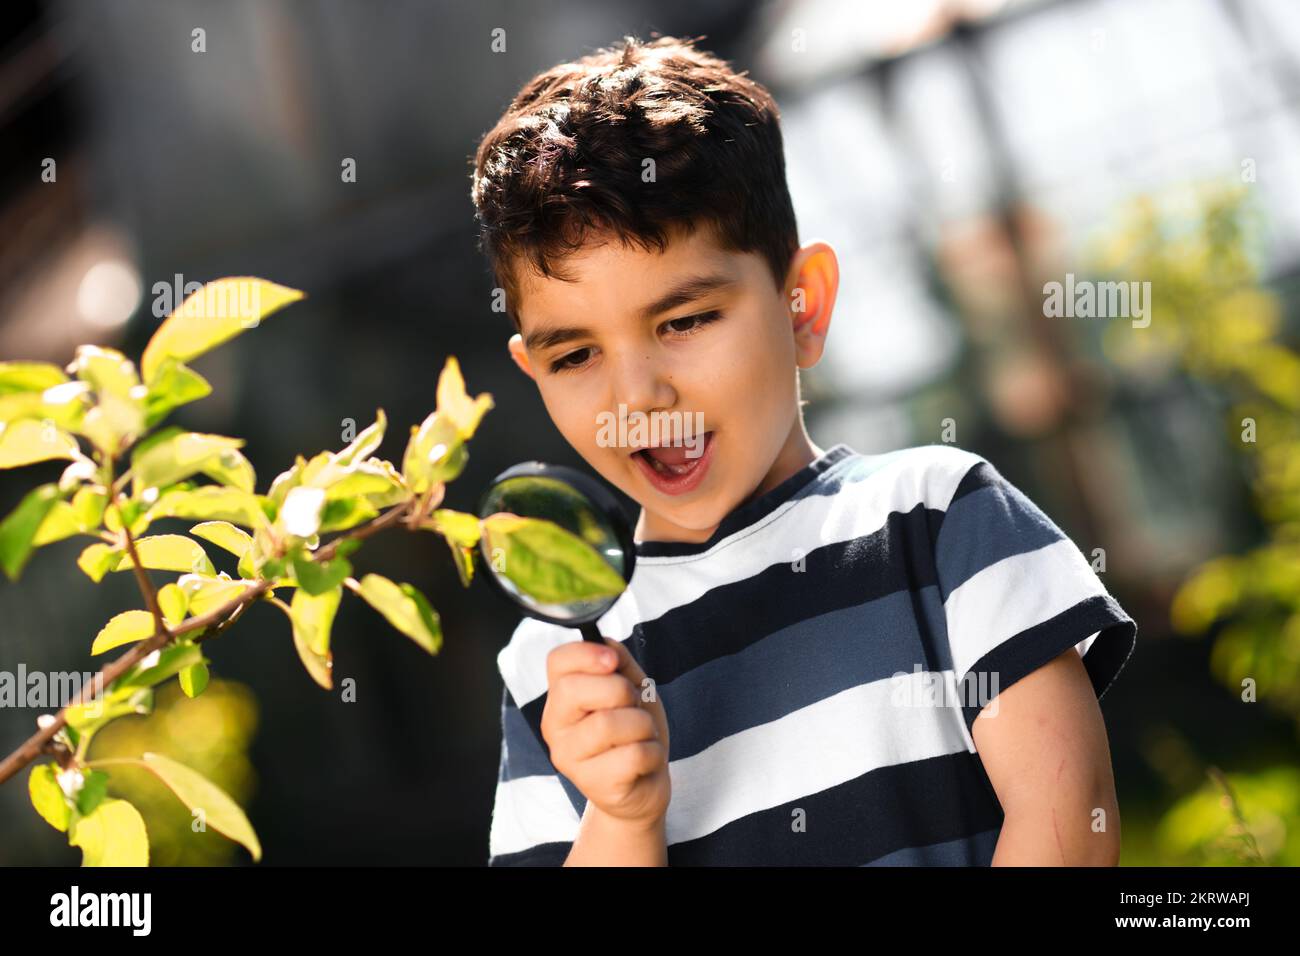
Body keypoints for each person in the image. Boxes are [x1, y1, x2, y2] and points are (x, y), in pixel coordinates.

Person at [471, 34, 1137, 866]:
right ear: (532, 370)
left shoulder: (941, 523)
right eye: (576, 356)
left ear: (803, 305)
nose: (637, 396)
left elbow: (1068, 822)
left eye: (684, 321)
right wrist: (622, 816)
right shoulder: (550, 668)